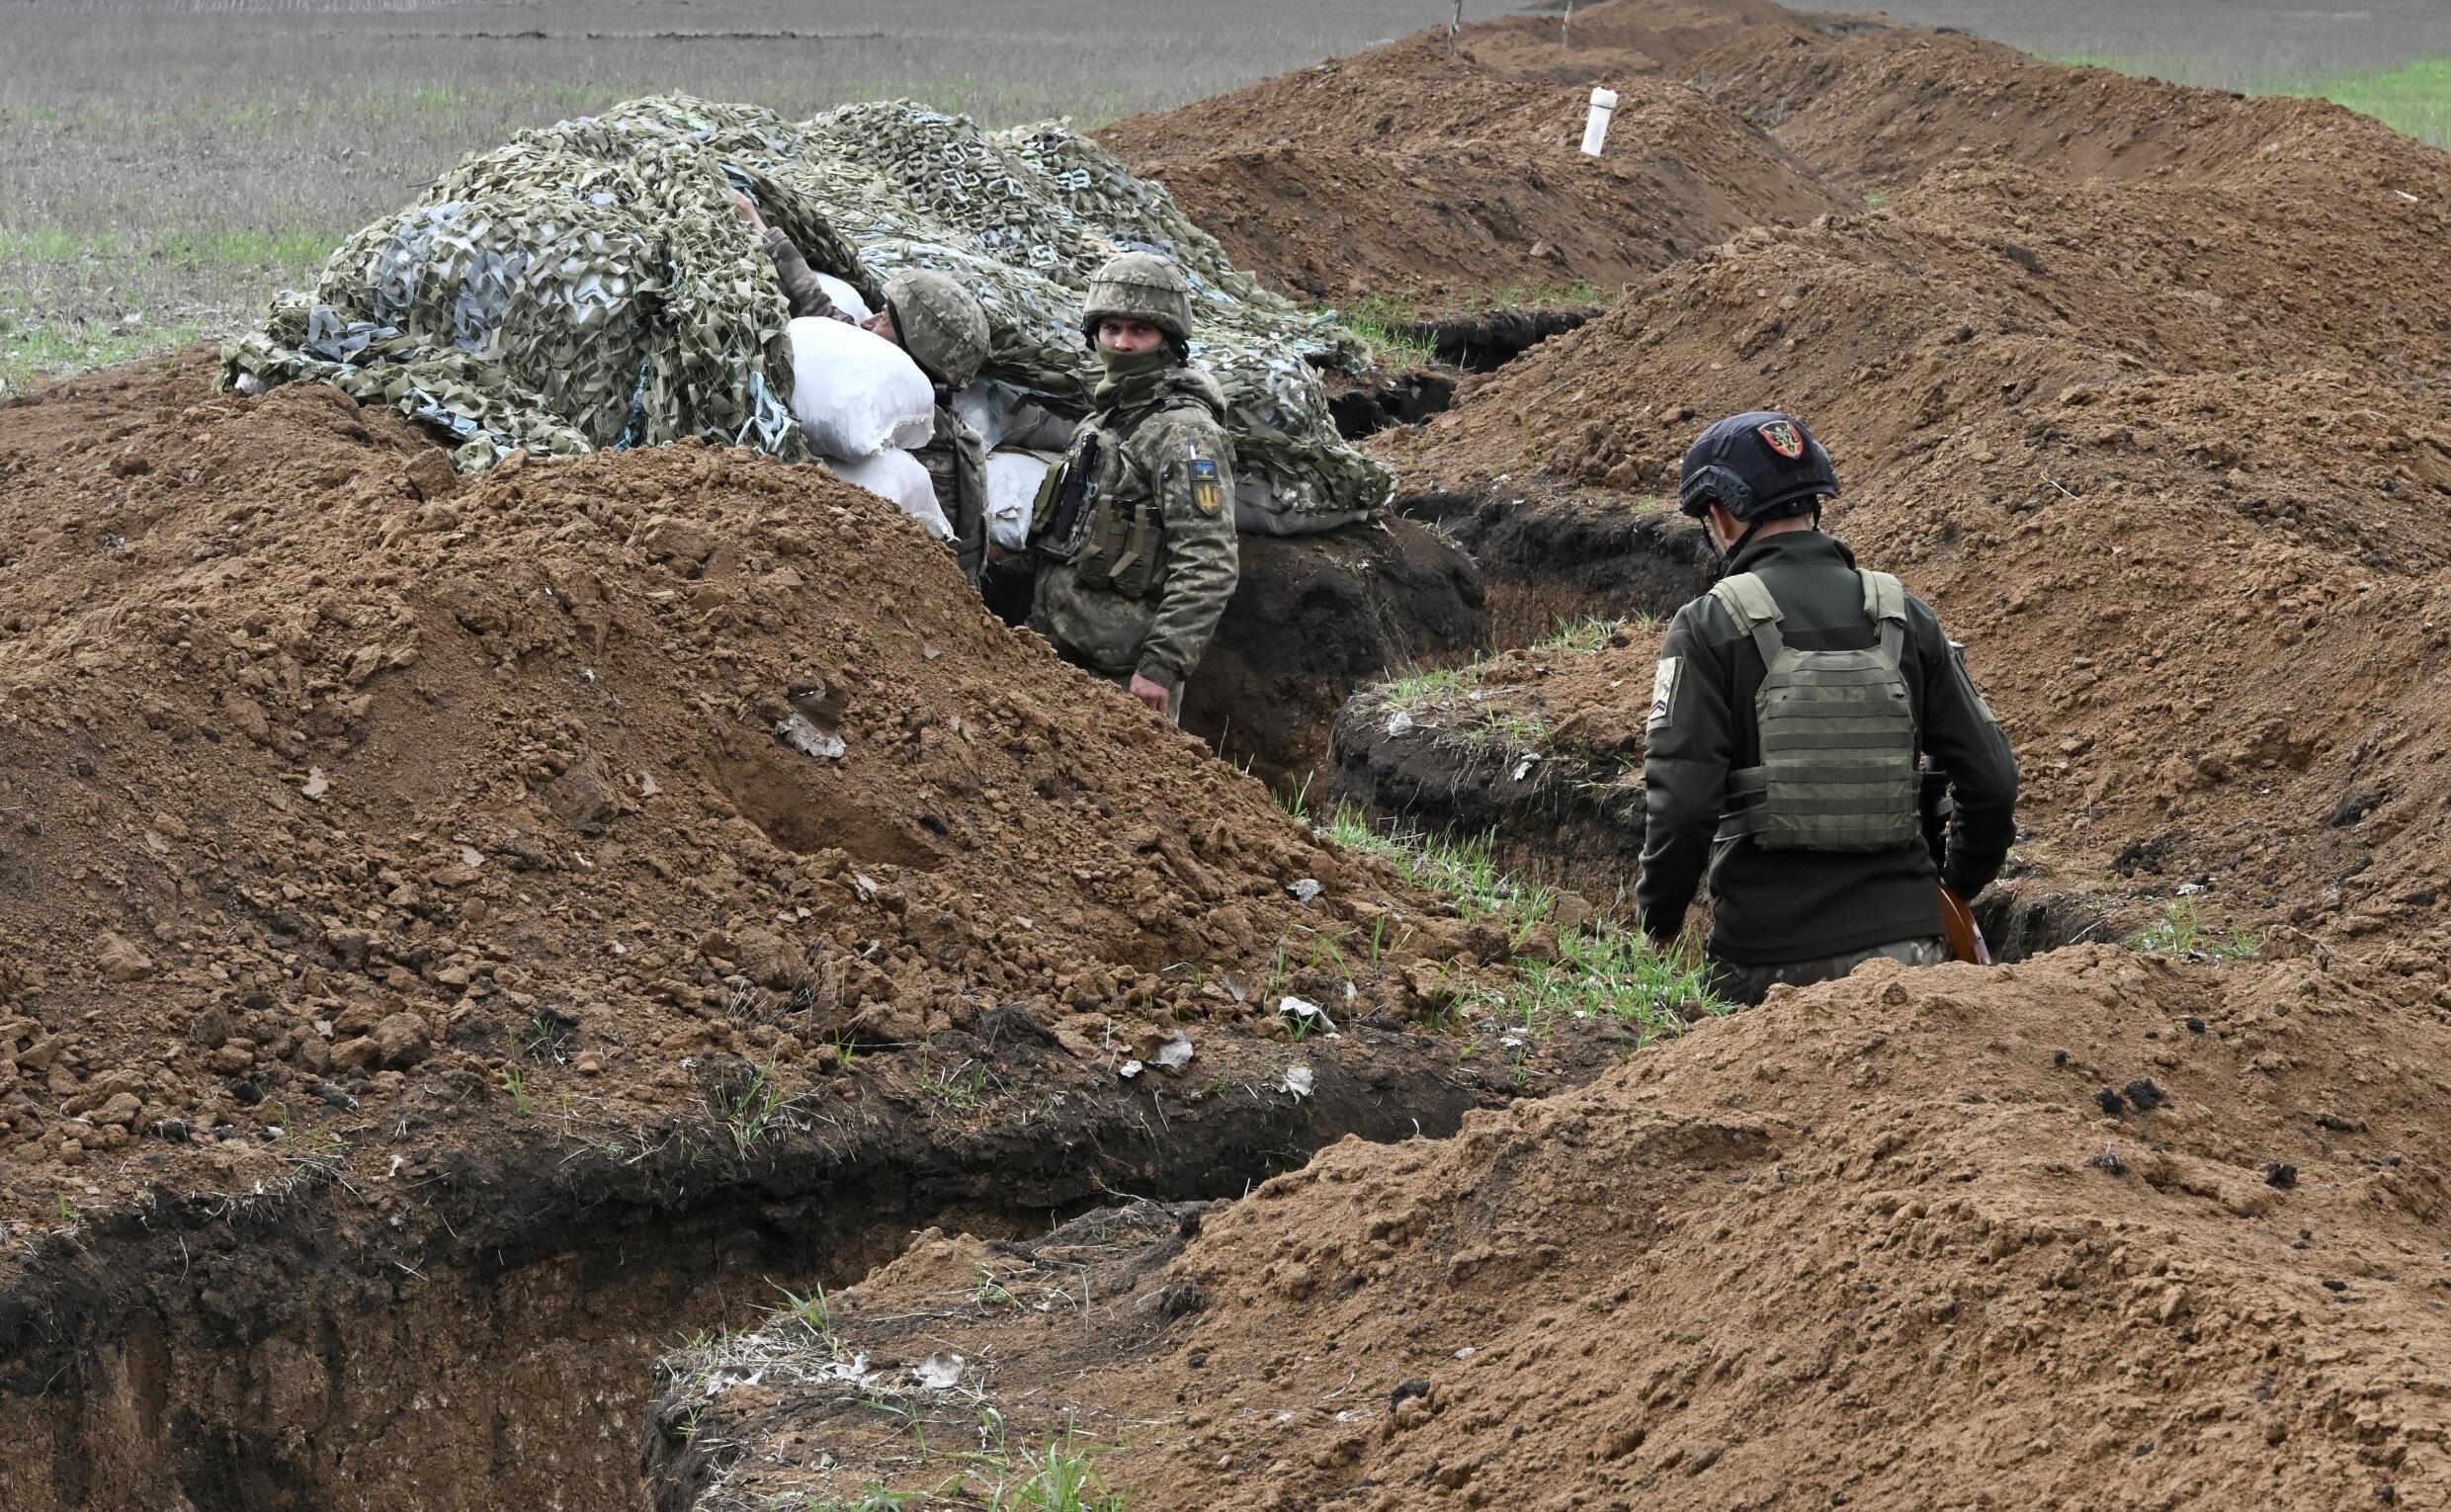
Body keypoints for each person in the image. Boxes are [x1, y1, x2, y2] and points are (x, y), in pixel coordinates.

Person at [1636, 410, 2019, 1005]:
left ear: (1720, 513)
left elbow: (1683, 807)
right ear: (1813, 501)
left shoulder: (1706, 626)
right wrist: (1955, 886)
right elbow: (1992, 780)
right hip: (1912, 961)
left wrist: (1657, 925)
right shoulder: (1904, 615)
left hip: (1763, 967)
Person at [734, 191, 992, 585]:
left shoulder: (921, 439)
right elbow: (816, 306)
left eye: (886, 320)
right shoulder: (905, 403)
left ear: (914, 350)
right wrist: (754, 220)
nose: (868, 322)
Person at [1026, 252, 1239, 722]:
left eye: (1140, 330)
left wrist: (1161, 666)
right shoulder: (1102, 420)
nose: (1122, 344)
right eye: (1111, 329)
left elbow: (1209, 561)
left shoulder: (1183, 432)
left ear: (1169, 340)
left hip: (1123, 679)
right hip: (1052, 655)